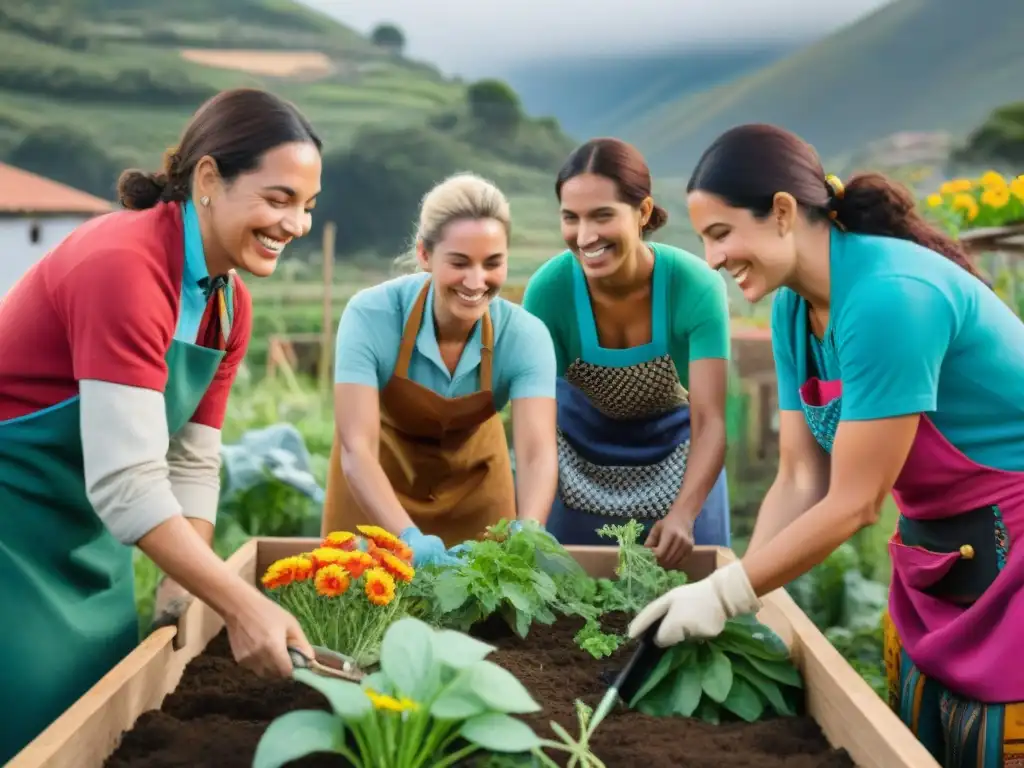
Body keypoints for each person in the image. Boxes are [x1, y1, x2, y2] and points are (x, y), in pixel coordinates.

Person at [629, 122, 1024, 767]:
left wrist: (724, 593)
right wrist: (746, 602)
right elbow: (799, 479)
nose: (712, 259)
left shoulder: (891, 298)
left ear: (783, 212)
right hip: (945, 553)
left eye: (721, 233)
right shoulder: (795, 307)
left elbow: (856, 502)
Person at [0, 87, 323, 762]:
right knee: (28, 722)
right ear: (208, 179)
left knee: (103, 715)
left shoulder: (227, 305)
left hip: (88, 536)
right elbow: (127, 484)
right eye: (277, 198)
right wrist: (238, 601)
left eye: (308, 207)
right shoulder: (124, 267)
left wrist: (189, 577)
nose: (295, 224)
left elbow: (192, 462)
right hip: (12, 527)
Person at [323, 172, 558, 566]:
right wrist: (408, 537)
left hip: (476, 488)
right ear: (425, 255)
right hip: (376, 485)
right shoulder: (371, 315)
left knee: (485, 622)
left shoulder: (524, 336)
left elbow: (536, 453)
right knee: (359, 612)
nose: (476, 280)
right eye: (460, 262)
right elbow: (356, 449)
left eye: (493, 263)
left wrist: (528, 531)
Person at [521, 137, 732, 569]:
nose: (585, 236)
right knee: (566, 608)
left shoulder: (696, 287)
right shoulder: (549, 292)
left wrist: (684, 514)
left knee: (696, 606)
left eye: (602, 216)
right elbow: (534, 424)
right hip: (575, 465)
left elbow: (710, 419)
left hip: (680, 459)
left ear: (643, 213)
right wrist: (529, 525)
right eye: (570, 218)